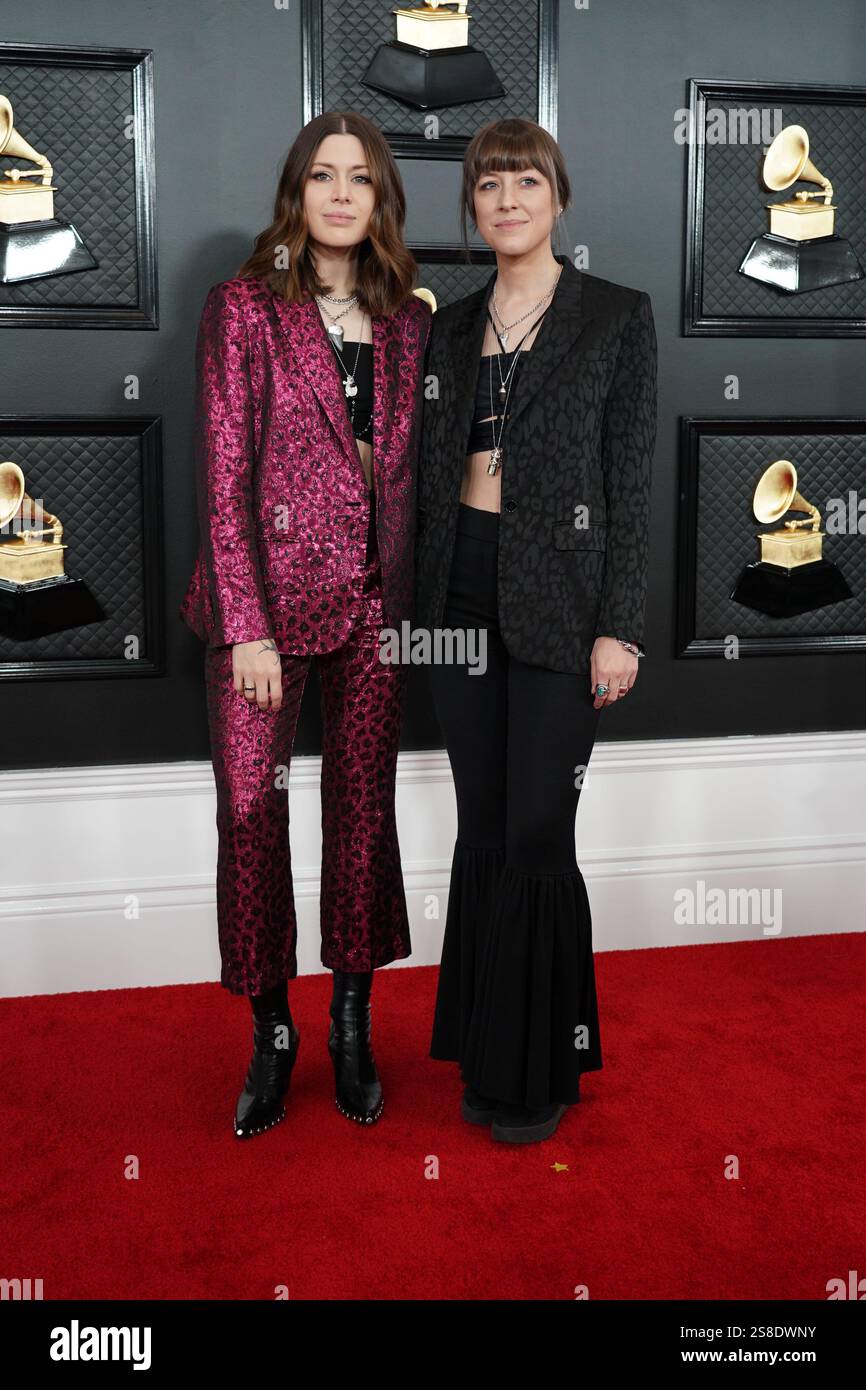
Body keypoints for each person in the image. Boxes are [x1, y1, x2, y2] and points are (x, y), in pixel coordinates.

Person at [179, 111, 431, 1139]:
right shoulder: (242, 306)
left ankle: (354, 1025)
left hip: (375, 606)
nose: (339, 194)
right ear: (296, 190)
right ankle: (271, 1033)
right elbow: (225, 471)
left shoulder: (408, 320)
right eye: (322, 176)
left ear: (379, 200)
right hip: (264, 612)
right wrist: (247, 626)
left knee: (362, 815)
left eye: (359, 180)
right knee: (250, 815)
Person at [414, 117, 657, 1144]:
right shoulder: (446, 323)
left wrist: (621, 628)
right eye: (487, 187)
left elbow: (630, 481)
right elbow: (425, 472)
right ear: (469, 206)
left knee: (535, 832)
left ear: (556, 197)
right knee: (481, 823)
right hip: (457, 588)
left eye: (524, 183)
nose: (505, 200)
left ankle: (540, 1061)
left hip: (563, 601)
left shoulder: (613, 316)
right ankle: (482, 1042)